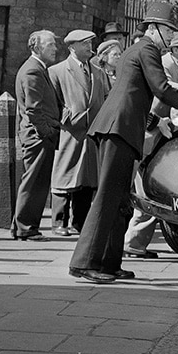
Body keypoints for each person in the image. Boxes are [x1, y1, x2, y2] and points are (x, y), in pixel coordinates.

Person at [69, 12, 178, 284]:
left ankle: (109, 263)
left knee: (120, 201)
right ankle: (84, 263)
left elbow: (134, 94)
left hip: (122, 130)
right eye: (169, 30)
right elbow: (161, 89)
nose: (172, 37)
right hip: (117, 130)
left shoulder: (138, 49)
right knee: (107, 198)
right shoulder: (147, 49)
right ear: (154, 28)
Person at [123, 27, 178, 259]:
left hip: (168, 137)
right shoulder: (163, 63)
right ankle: (125, 243)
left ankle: (133, 244)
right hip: (147, 132)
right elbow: (163, 86)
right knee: (141, 190)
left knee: (154, 189)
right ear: (176, 49)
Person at [47, 30, 109, 236]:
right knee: (65, 175)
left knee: (87, 177)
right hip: (71, 131)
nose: (90, 47)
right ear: (72, 47)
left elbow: (106, 98)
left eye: (90, 43)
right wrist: (68, 117)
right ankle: (58, 222)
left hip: (92, 131)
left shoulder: (98, 72)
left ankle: (79, 222)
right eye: (85, 44)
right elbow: (52, 102)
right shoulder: (57, 71)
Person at [11, 30, 63, 241]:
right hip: (38, 136)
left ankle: (24, 225)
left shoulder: (39, 69)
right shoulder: (33, 71)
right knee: (34, 181)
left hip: (40, 134)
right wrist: (47, 132)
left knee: (37, 181)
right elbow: (33, 109)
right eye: (50, 45)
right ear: (37, 47)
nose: (55, 49)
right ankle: (25, 227)